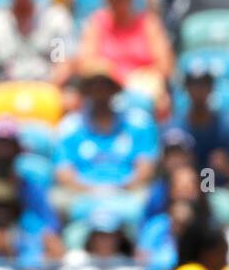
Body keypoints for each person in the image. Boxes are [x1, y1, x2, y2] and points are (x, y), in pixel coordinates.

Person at [54, 60, 159, 204]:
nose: (99, 92)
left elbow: (146, 167)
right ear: (85, 91)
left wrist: (121, 188)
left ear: (113, 89)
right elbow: (64, 172)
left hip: (129, 193)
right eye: (93, 87)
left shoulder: (137, 123)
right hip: (83, 195)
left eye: (104, 86)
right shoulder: (70, 127)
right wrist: (92, 191)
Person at [76, 0, 174, 91]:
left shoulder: (149, 23)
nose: (113, 2)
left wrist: (138, 77)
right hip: (106, 89)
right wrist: (112, 73)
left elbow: (165, 66)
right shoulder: (98, 22)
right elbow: (85, 63)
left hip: (141, 88)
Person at [174, 60, 229, 186]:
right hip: (185, 192)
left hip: (221, 189)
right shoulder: (175, 129)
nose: (198, 90)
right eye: (194, 84)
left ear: (212, 88)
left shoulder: (228, 127)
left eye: (204, 85)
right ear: (186, 88)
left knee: (222, 203)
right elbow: (160, 168)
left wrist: (228, 167)